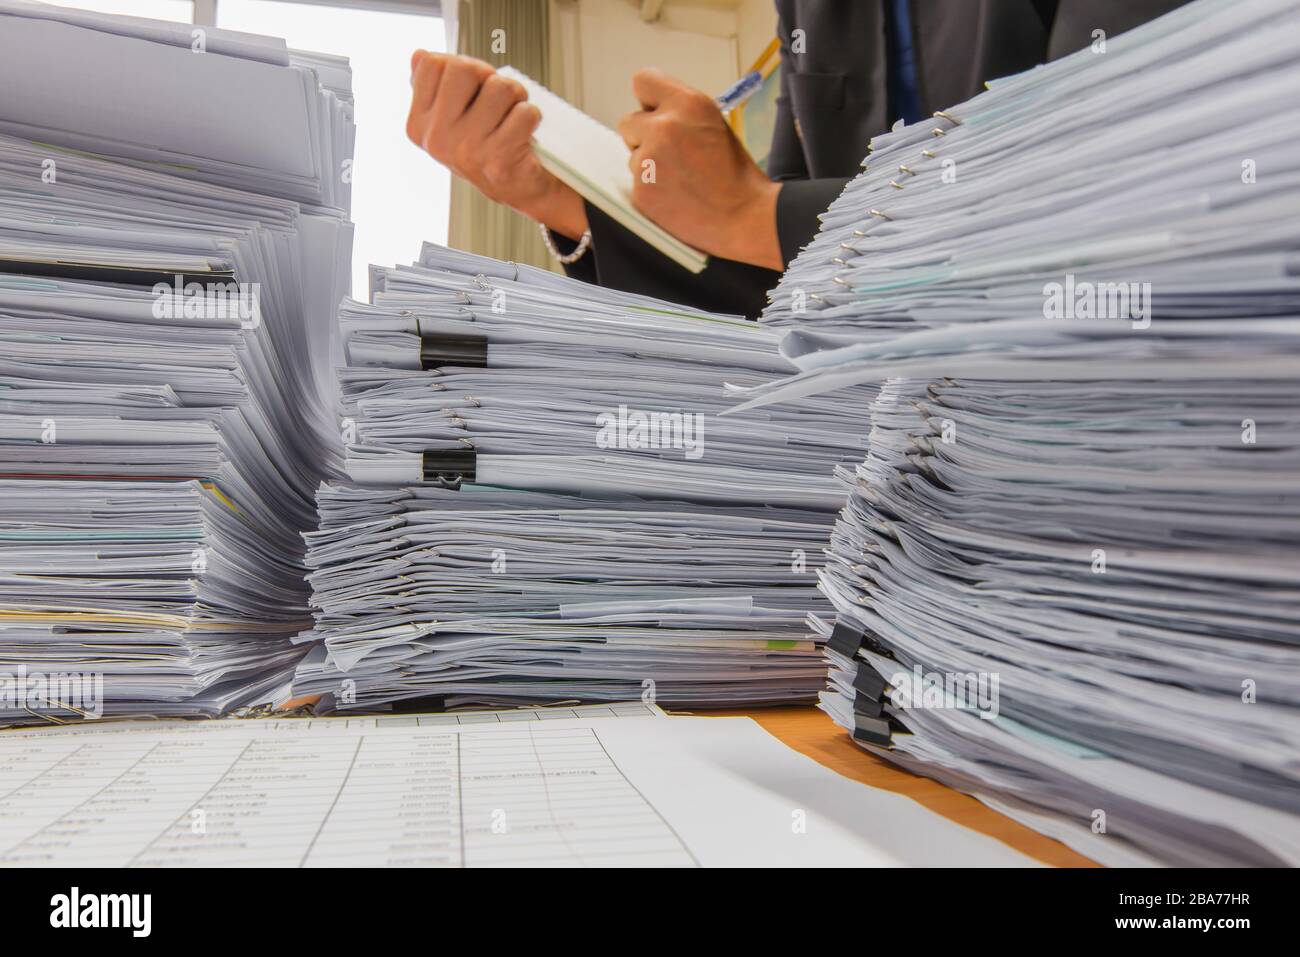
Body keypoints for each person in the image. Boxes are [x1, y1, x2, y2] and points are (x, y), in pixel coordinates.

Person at [407, 0, 1187, 319]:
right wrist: (571, 198)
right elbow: (777, 284)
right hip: (918, 497)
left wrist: (751, 211)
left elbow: (1116, 181)